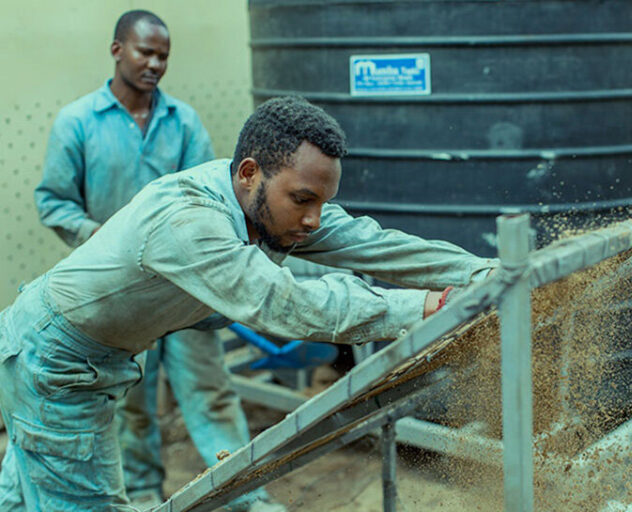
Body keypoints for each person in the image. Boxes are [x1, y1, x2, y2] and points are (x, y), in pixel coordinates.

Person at [0, 95, 497, 510]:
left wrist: (485, 274)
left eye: (322, 203)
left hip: (96, 354)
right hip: (56, 362)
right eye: (302, 200)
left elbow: (372, 243)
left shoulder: (271, 205)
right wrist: (430, 307)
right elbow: (282, 302)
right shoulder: (190, 220)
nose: (313, 220)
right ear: (249, 172)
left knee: (21, 500)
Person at [31, 10, 281, 511]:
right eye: (145, 52)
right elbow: (53, 201)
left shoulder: (182, 122)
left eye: (163, 56)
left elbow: (212, 199)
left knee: (211, 391)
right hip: (120, 294)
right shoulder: (78, 123)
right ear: (117, 50)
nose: (154, 64)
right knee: (132, 402)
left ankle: (245, 494)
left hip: (186, 289)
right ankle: (144, 491)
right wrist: (98, 236)